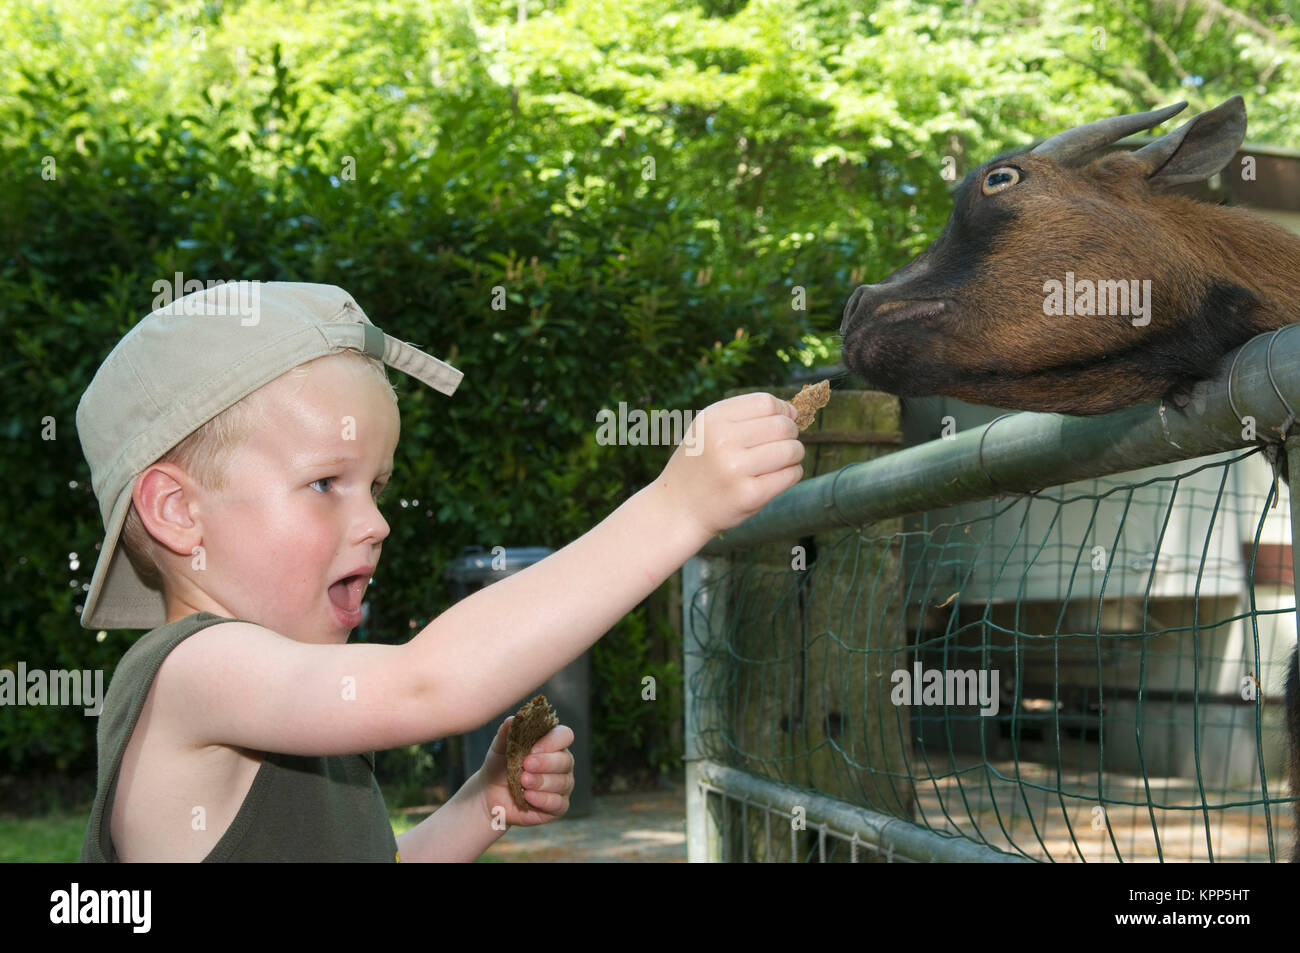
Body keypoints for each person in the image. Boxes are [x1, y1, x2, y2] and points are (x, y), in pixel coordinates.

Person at [76, 281, 805, 861]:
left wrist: (484, 804)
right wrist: (674, 510)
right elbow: (434, 680)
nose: (377, 523)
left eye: (378, 487)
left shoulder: (284, 712)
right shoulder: (194, 672)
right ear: (177, 511)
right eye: (327, 483)